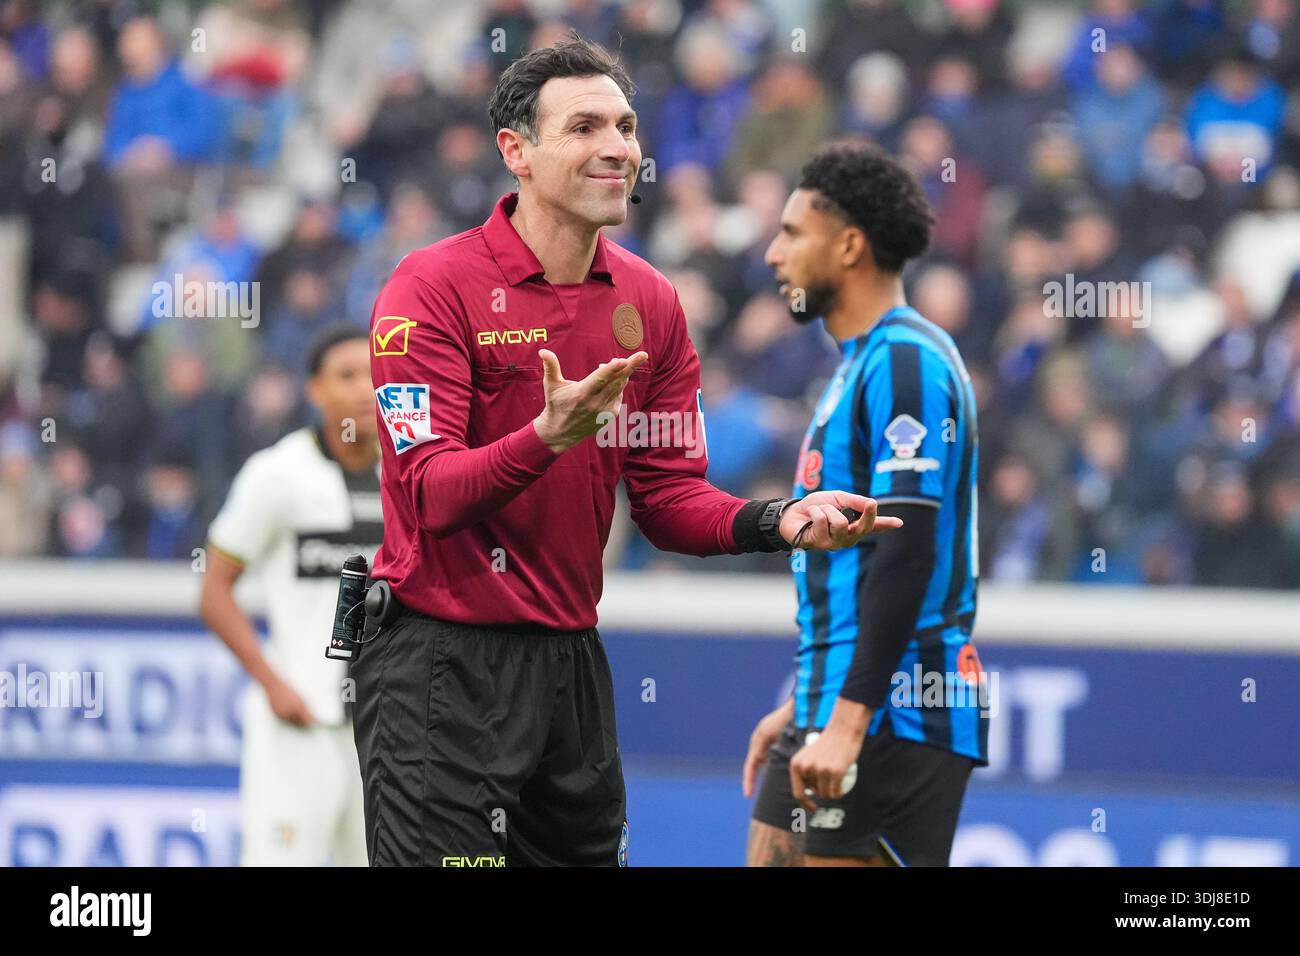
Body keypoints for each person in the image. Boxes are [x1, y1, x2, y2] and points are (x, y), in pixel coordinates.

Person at [351, 33, 901, 868]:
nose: (617, 148)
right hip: (439, 666)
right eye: (583, 128)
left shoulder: (652, 301)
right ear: (517, 153)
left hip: (571, 663)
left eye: (627, 126)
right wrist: (544, 438)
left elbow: (669, 500)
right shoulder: (430, 288)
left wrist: (779, 519)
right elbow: (428, 496)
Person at [744, 144, 988, 867]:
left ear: (848, 245)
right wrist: (806, 701)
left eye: (791, 233)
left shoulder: (906, 361)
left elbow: (906, 548)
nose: (771, 255)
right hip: (835, 696)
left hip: (896, 710)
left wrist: (848, 720)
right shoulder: (858, 363)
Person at [199, 325, 380, 866]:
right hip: (299, 721)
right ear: (316, 390)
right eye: (346, 376)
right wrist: (274, 683)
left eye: (374, 374)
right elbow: (214, 592)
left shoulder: (414, 473)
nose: (363, 390)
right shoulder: (277, 474)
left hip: (386, 728)